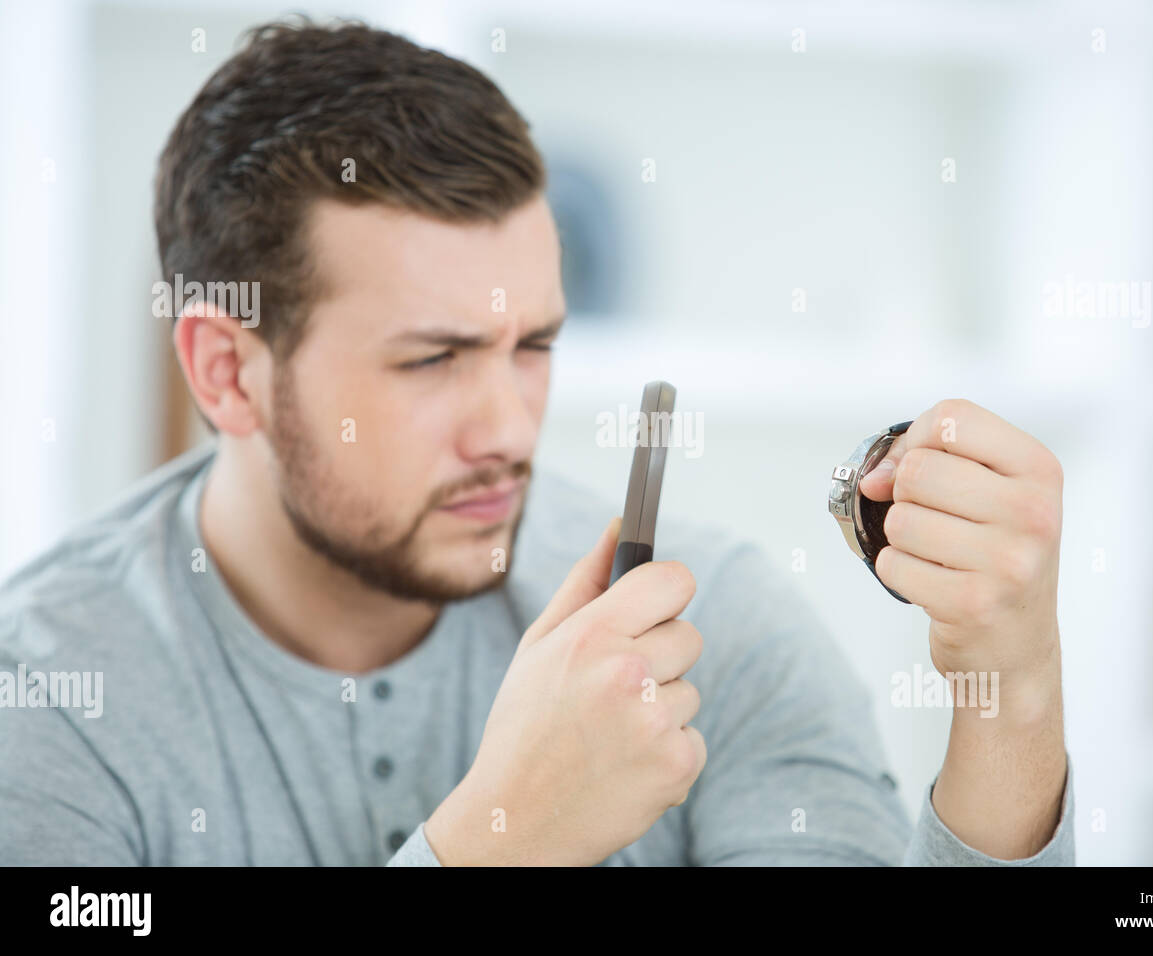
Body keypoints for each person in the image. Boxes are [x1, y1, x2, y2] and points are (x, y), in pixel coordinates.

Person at [0, 18, 1073, 866]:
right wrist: (495, 842)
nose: (511, 427)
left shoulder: (719, 627)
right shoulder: (48, 697)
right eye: (432, 359)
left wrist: (1011, 680)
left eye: (535, 345)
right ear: (228, 369)